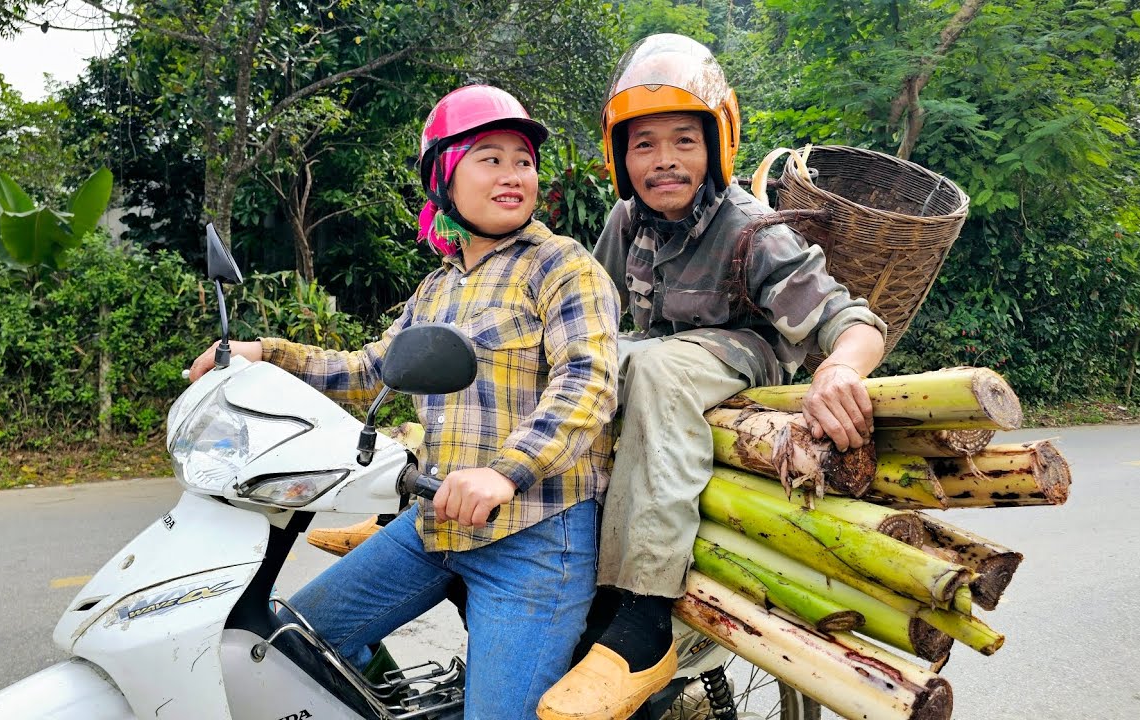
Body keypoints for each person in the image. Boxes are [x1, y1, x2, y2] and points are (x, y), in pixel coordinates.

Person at [188, 85, 620, 719]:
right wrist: (266, 355)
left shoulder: (562, 266)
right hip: (435, 524)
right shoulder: (438, 287)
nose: (513, 175)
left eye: (523, 160)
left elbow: (588, 382)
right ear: (444, 177)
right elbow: (372, 369)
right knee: (288, 645)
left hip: (533, 540)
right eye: (490, 158)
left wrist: (504, 472)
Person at [536, 34, 887, 720]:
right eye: (644, 145)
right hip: (647, 384)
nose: (664, 160)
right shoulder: (625, 222)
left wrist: (841, 368)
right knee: (597, 359)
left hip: (739, 366)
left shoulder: (754, 230)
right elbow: (592, 319)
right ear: (620, 156)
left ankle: (641, 618)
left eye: (683, 141)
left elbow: (852, 320)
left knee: (656, 364)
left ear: (716, 146)